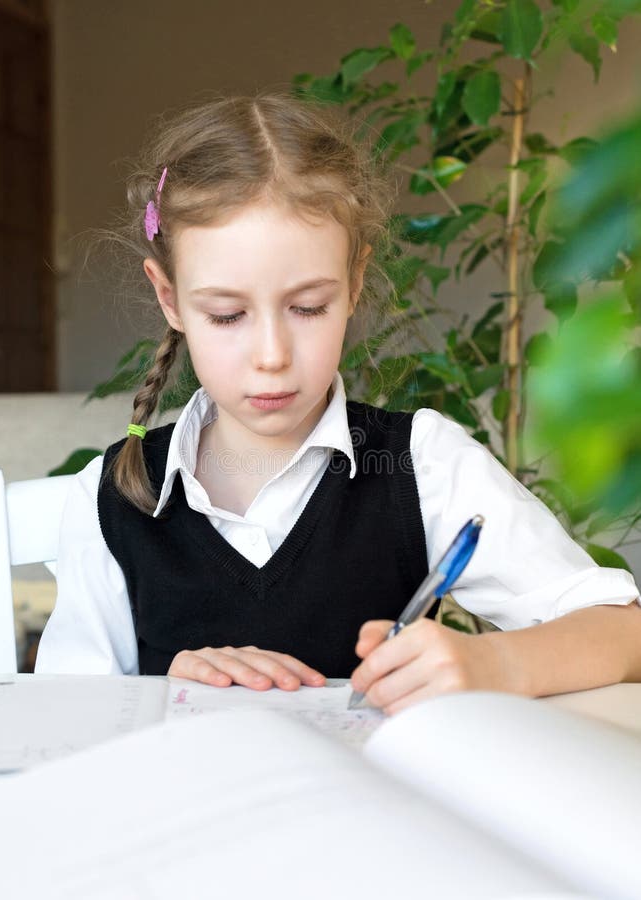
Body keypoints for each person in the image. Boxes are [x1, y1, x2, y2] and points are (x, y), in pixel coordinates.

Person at [35, 93, 641, 714]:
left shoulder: (424, 464)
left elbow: (625, 631)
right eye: (227, 314)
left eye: (308, 307)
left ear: (354, 285)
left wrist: (493, 661)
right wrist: (160, 691)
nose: (272, 354)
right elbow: (67, 726)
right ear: (170, 300)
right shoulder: (107, 499)